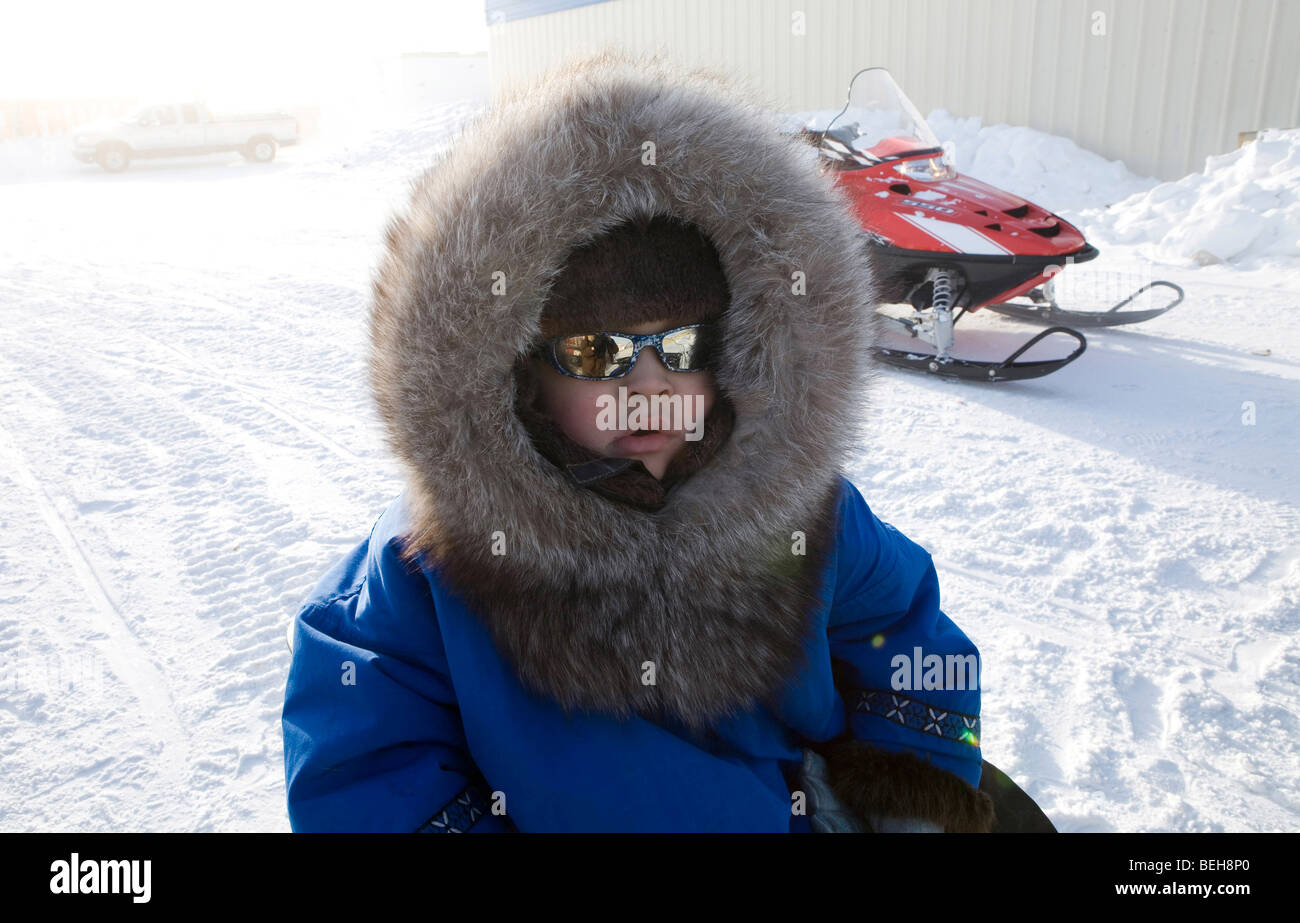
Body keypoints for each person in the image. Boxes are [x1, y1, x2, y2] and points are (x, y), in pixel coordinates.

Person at [281, 49, 994, 833]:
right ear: (517, 375)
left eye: (681, 347)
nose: (650, 388)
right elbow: (370, 777)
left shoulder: (802, 515)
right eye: (598, 355)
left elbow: (915, 649)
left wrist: (914, 789)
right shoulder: (423, 574)